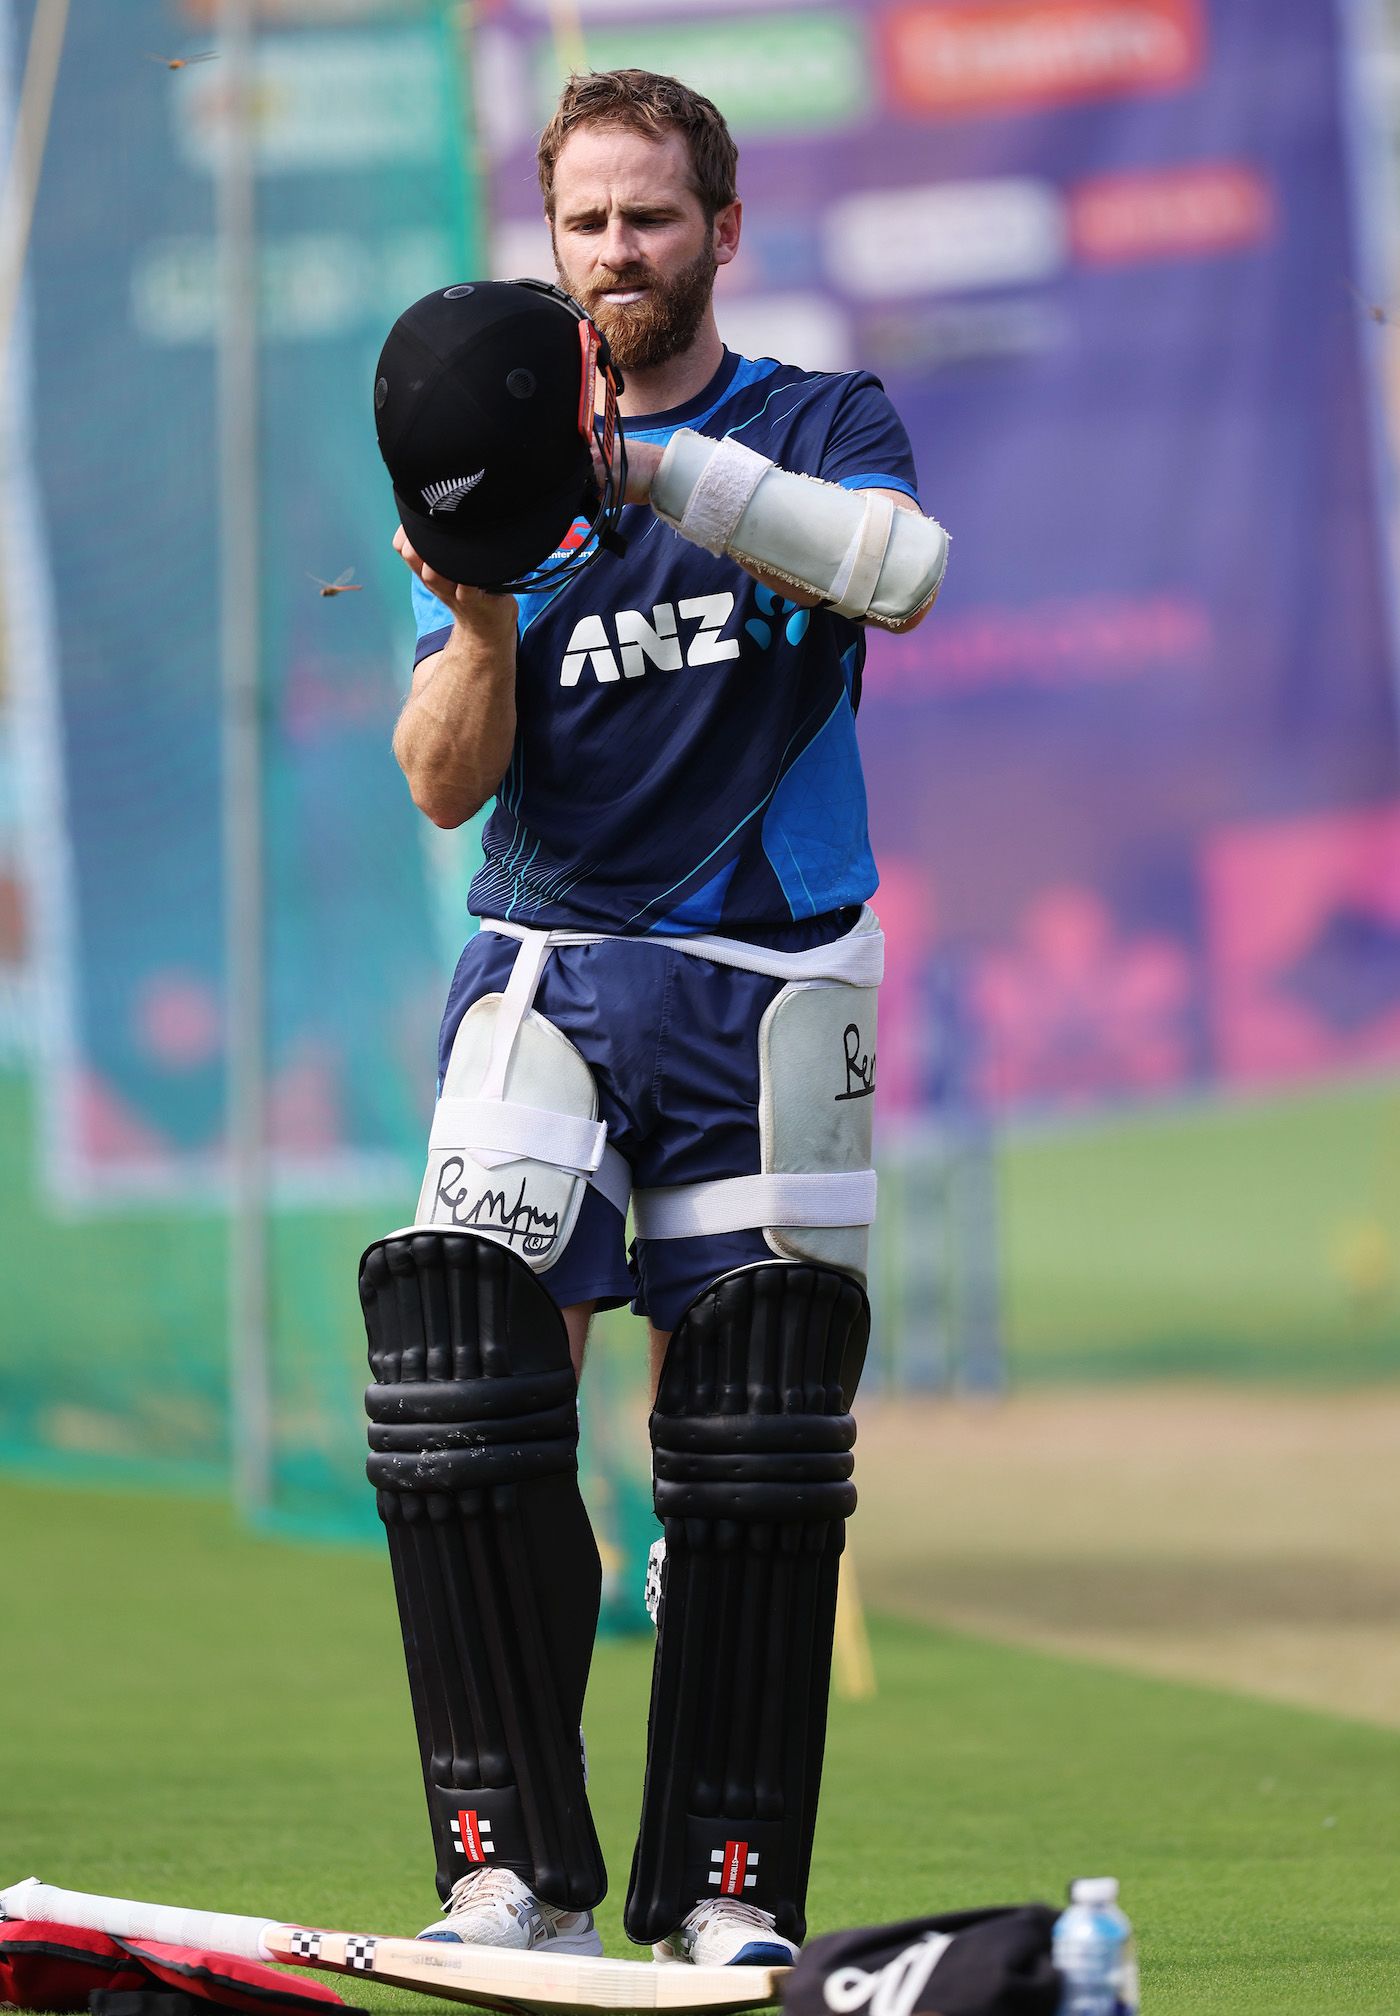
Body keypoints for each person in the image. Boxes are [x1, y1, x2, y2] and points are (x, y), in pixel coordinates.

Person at [370, 66, 946, 1978]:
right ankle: (507, 1865)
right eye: (585, 223)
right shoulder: (502, 470)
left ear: (721, 232)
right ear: (550, 239)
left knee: (758, 1434)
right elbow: (443, 786)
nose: (616, 254)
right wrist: (475, 622)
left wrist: (651, 474)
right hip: (546, 960)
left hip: (776, 982)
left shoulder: (814, 422)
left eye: (650, 218)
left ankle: (726, 1892)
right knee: (462, 1367)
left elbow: (902, 576)